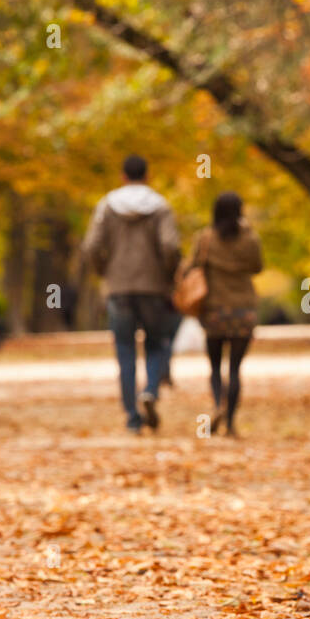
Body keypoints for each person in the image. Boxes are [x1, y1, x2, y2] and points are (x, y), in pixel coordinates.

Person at [82, 155, 181, 432]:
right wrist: (168, 273)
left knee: (124, 350)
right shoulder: (161, 207)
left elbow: (90, 246)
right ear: (147, 175)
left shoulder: (107, 205)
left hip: (118, 288)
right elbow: (171, 246)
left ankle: (132, 417)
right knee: (156, 342)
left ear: (123, 176)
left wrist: (104, 271)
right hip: (153, 288)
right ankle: (150, 389)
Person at [192, 192, 263, 437]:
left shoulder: (205, 238)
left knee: (214, 366)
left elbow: (193, 266)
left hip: (214, 310)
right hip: (243, 310)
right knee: (234, 369)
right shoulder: (249, 239)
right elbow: (258, 267)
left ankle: (216, 405)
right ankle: (230, 423)